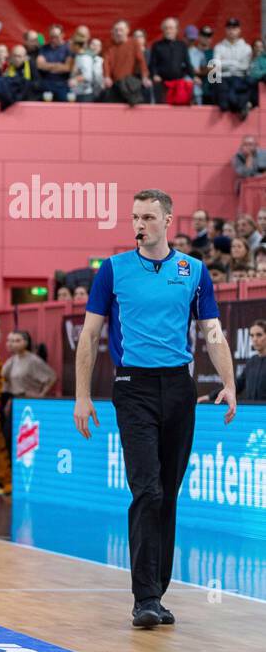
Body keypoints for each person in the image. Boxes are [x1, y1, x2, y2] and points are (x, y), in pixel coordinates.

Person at [74, 189, 237, 629]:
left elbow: (213, 333)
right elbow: (90, 337)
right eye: (134, 217)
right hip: (133, 387)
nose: (139, 224)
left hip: (179, 389)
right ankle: (144, 597)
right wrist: (82, 395)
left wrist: (229, 382)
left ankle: (157, 596)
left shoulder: (194, 271)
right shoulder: (112, 271)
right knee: (147, 490)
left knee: (167, 495)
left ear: (168, 220)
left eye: (148, 216)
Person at [236, 319, 266, 401]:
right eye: (252, 335)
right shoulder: (251, 362)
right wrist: (210, 396)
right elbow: (238, 385)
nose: (255, 339)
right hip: (252, 411)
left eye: (259, 335)